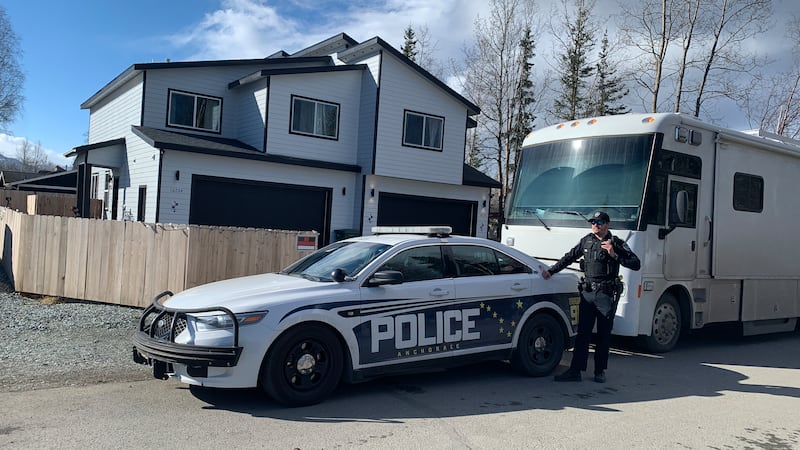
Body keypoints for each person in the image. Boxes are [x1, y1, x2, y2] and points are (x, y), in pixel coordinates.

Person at [542, 211, 640, 383]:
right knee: (583, 334)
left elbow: (636, 263)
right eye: (593, 222)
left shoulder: (615, 243)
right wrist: (551, 271)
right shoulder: (587, 240)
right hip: (587, 293)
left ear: (607, 224)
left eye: (599, 222)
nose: (595, 224)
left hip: (605, 294)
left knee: (603, 335)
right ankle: (575, 371)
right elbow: (570, 256)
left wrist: (614, 255)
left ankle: (600, 371)